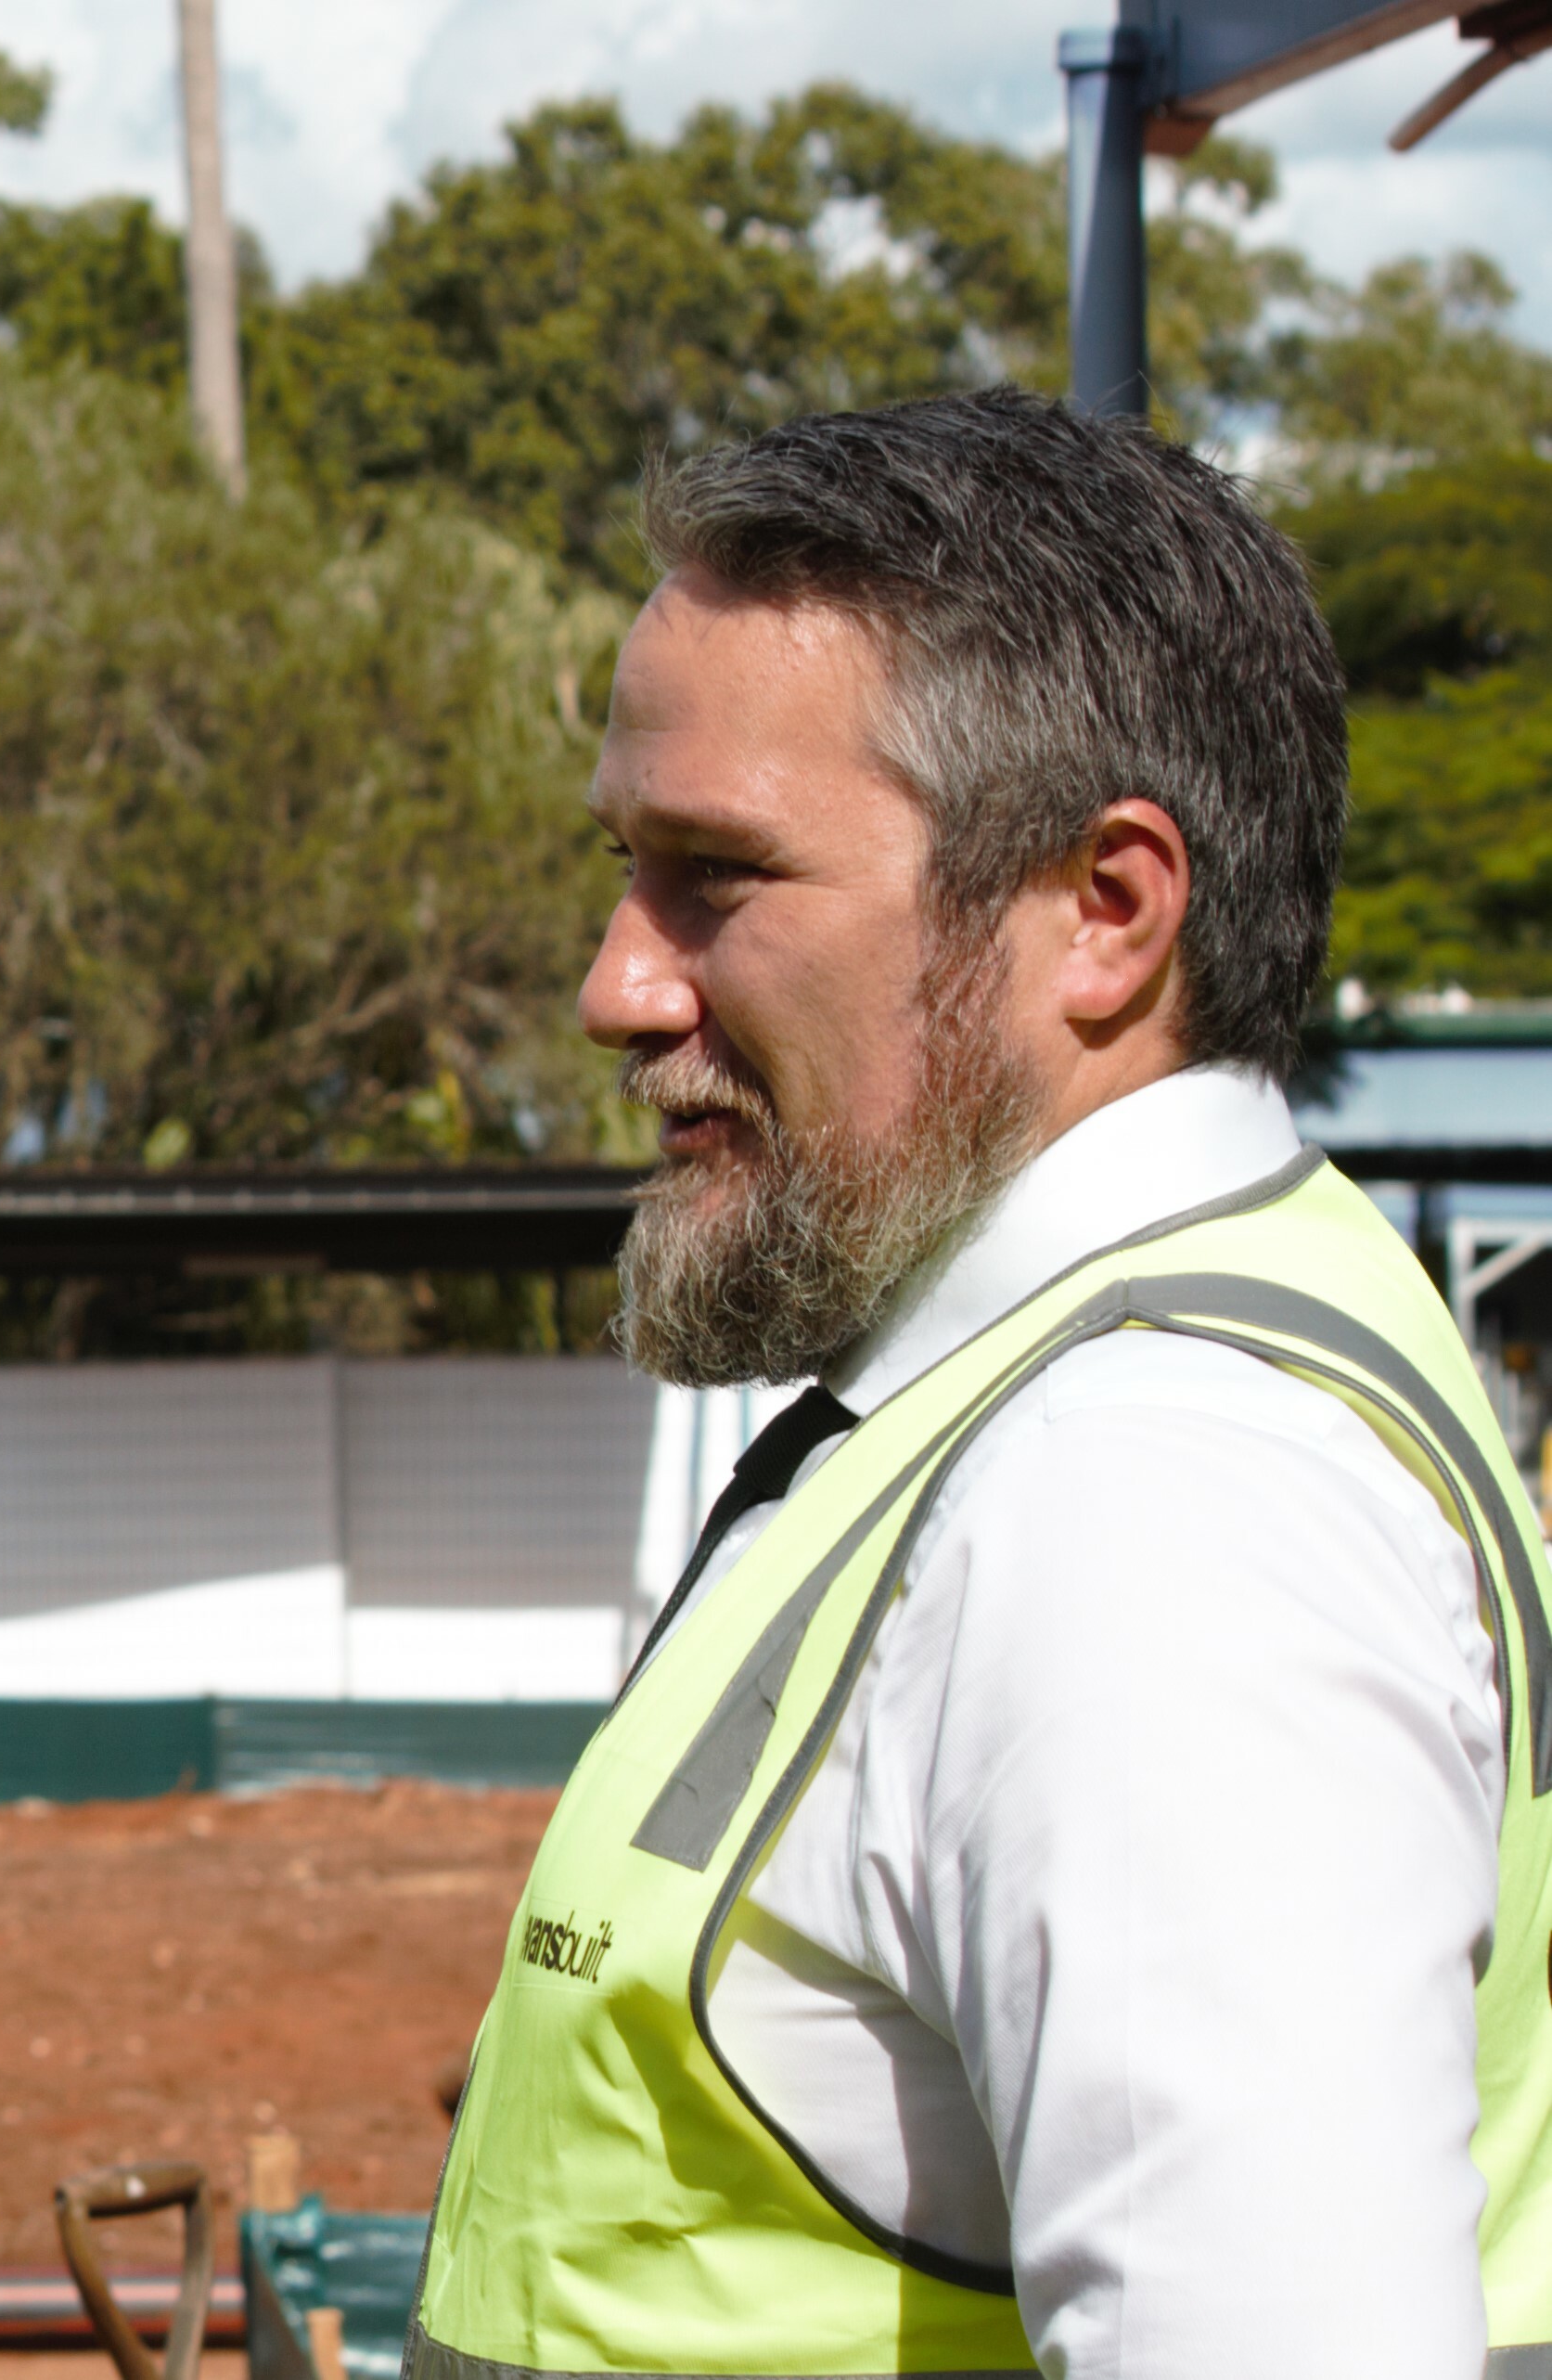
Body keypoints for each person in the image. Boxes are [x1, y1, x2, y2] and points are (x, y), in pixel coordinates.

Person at [414, 388, 1552, 2379]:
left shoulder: (1152, 1499)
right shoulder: (1069, 1396)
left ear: (1104, 913)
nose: (621, 983)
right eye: (626, 865)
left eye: (719, 875)